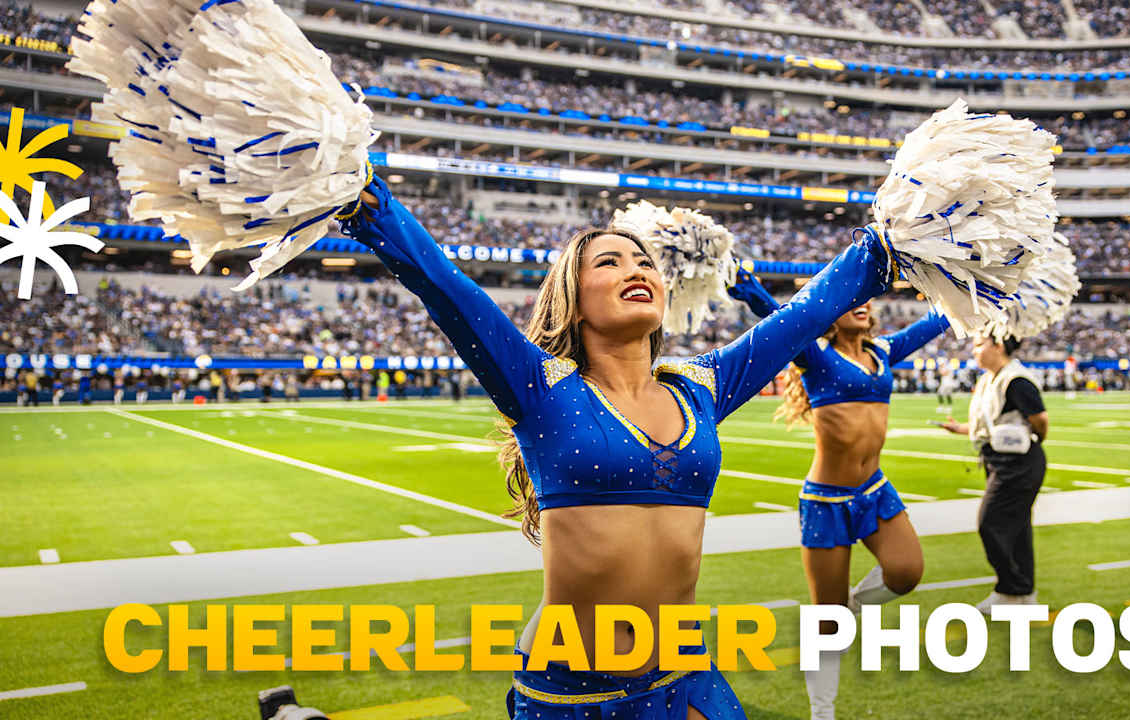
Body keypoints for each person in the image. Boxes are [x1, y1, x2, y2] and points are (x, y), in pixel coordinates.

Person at [340, 176, 893, 720]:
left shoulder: (701, 386)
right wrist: (373, 208)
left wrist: (891, 242)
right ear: (574, 301)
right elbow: (444, 285)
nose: (636, 269)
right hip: (575, 693)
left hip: (685, 670)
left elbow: (807, 315)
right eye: (609, 263)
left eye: (644, 263)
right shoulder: (542, 388)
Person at [728, 267, 949, 720]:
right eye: (851, 299)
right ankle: (822, 711)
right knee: (825, 622)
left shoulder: (884, 351)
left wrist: (978, 294)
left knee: (906, 572)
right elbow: (779, 318)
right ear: (831, 312)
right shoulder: (815, 354)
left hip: (875, 489)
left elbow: (934, 323)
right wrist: (751, 289)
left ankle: (851, 603)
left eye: (866, 298)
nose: (861, 303)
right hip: (826, 500)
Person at [941, 335, 1048, 613]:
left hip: (1018, 462)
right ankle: (1022, 593)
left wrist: (1027, 441)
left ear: (998, 346)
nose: (974, 350)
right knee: (1018, 529)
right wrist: (963, 429)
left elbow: (1041, 421)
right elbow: (994, 424)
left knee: (990, 523)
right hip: (1000, 459)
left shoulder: (1015, 380)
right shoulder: (991, 378)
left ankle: (1011, 589)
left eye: (980, 344)